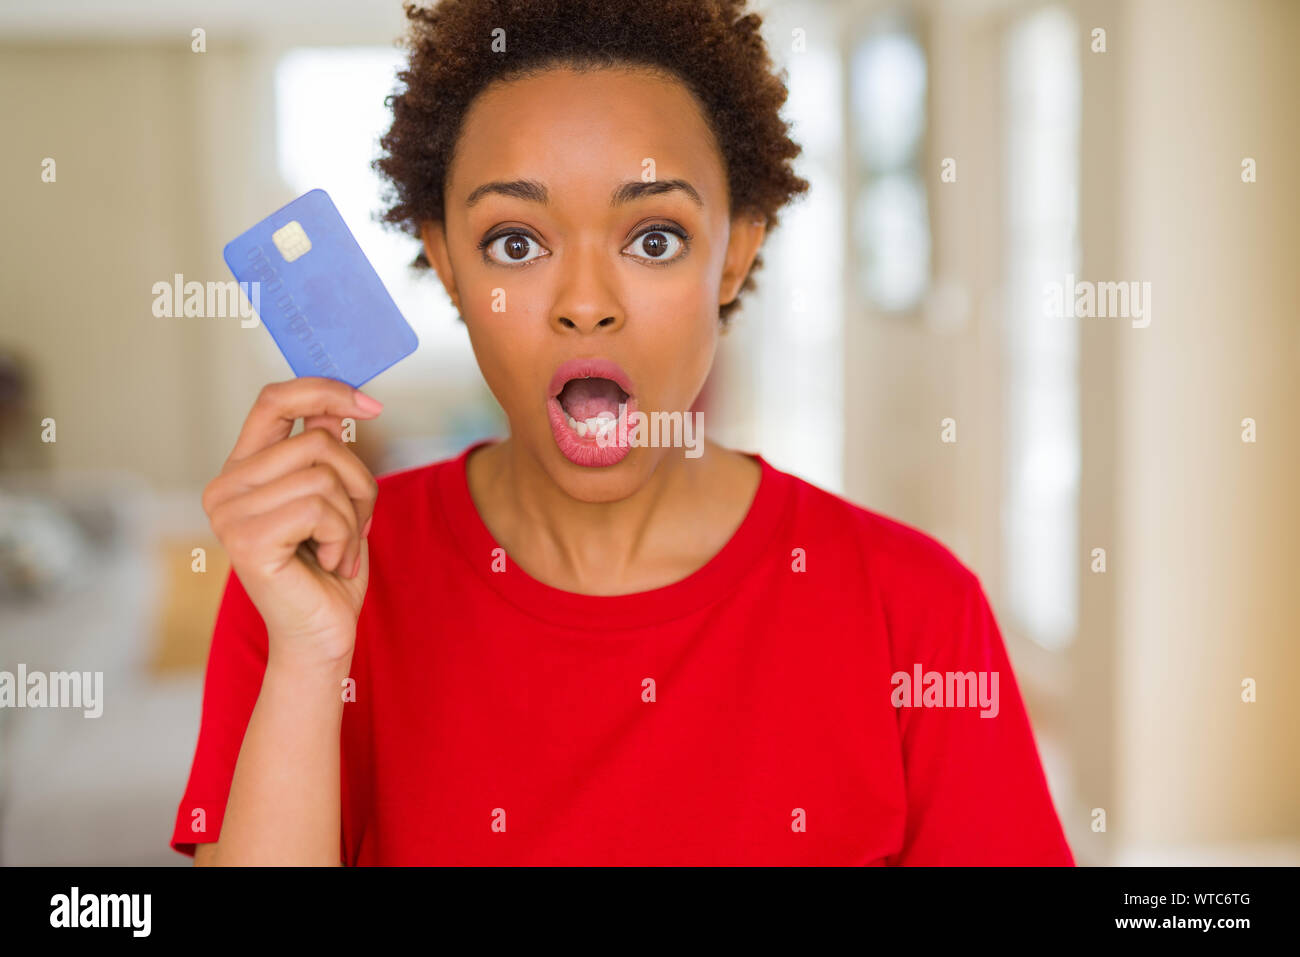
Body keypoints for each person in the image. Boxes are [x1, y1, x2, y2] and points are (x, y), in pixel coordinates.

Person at [172, 0, 1074, 865]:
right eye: (516, 243)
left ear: (737, 251)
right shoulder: (313, 579)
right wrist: (308, 657)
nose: (587, 306)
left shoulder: (915, 612)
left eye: (654, 238)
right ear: (446, 263)